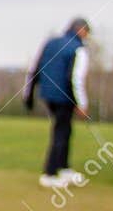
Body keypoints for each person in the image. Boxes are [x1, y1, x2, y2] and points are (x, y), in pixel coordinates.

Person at [24, 17, 91, 189]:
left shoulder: (51, 42)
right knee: (61, 132)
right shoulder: (78, 49)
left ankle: (64, 168)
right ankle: (50, 173)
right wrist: (81, 104)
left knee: (65, 130)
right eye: (86, 31)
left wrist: (29, 95)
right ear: (80, 30)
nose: (87, 35)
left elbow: (35, 68)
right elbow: (76, 78)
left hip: (47, 94)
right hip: (64, 96)